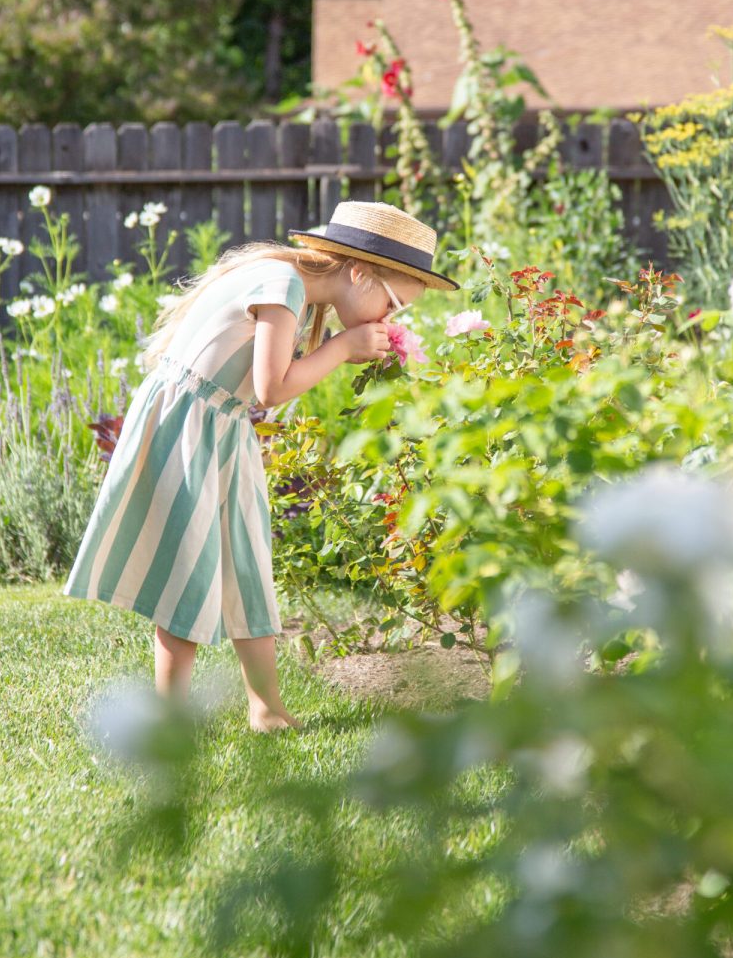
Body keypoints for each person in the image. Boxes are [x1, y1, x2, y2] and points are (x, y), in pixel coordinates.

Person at [61, 200, 458, 732]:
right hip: (188, 428)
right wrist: (342, 348)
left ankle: (266, 708)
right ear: (361, 272)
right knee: (188, 571)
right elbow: (271, 389)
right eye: (393, 304)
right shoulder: (282, 283)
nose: (390, 320)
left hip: (222, 427)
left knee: (248, 564)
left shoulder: (287, 283)